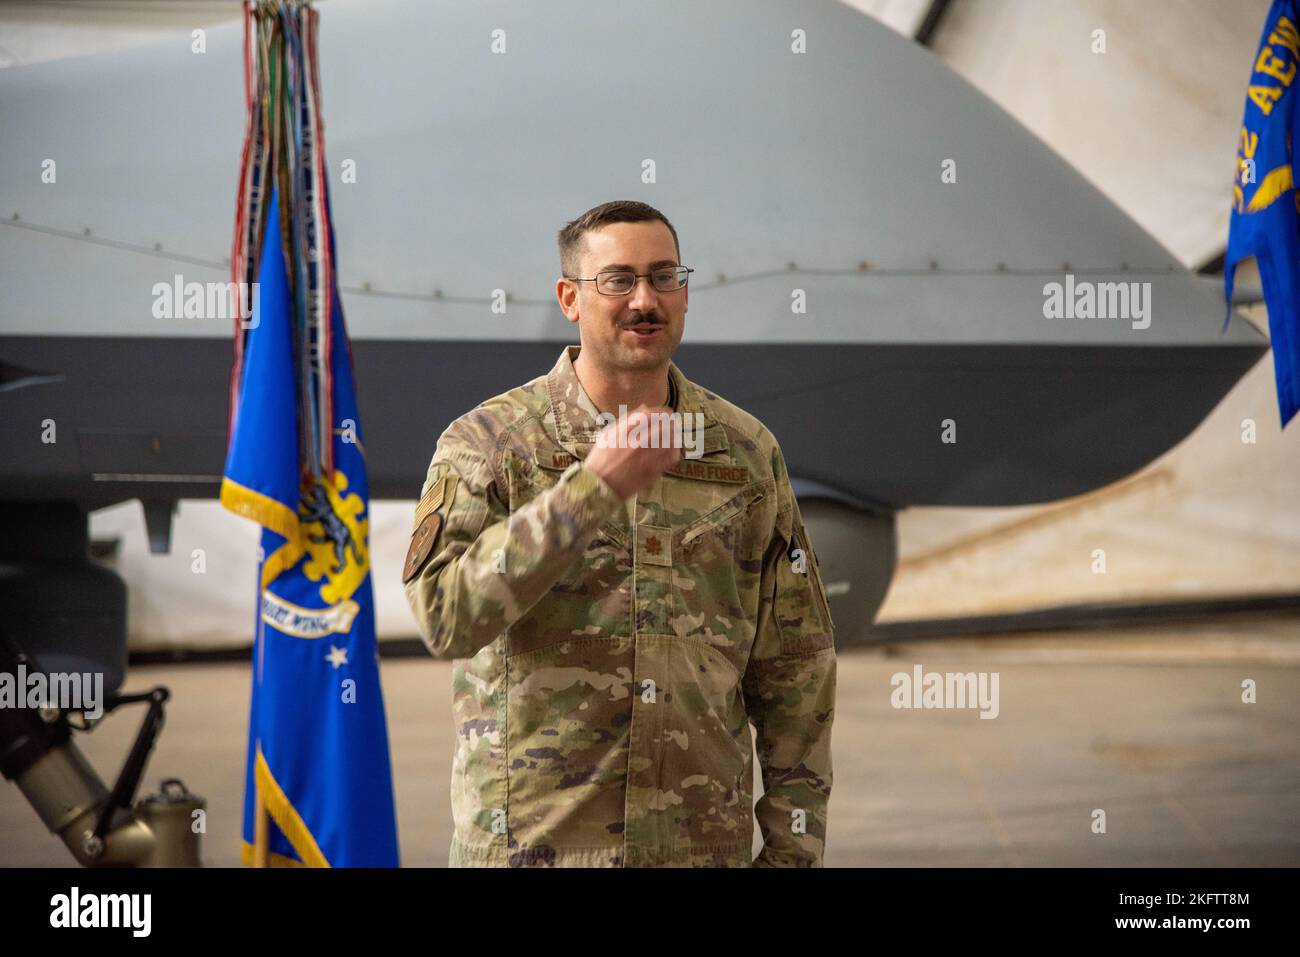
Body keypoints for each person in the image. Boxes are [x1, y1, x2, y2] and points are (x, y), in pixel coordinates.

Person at [403, 199, 837, 867]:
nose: (645, 298)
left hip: (698, 850)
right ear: (570, 297)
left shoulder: (743, 452)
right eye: (619, 279)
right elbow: (445, 616)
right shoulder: (490, 444)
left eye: (665, 276)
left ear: (685, 294)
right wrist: (592, 490)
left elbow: (795, 672)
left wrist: (793, 851)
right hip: (536, 850)